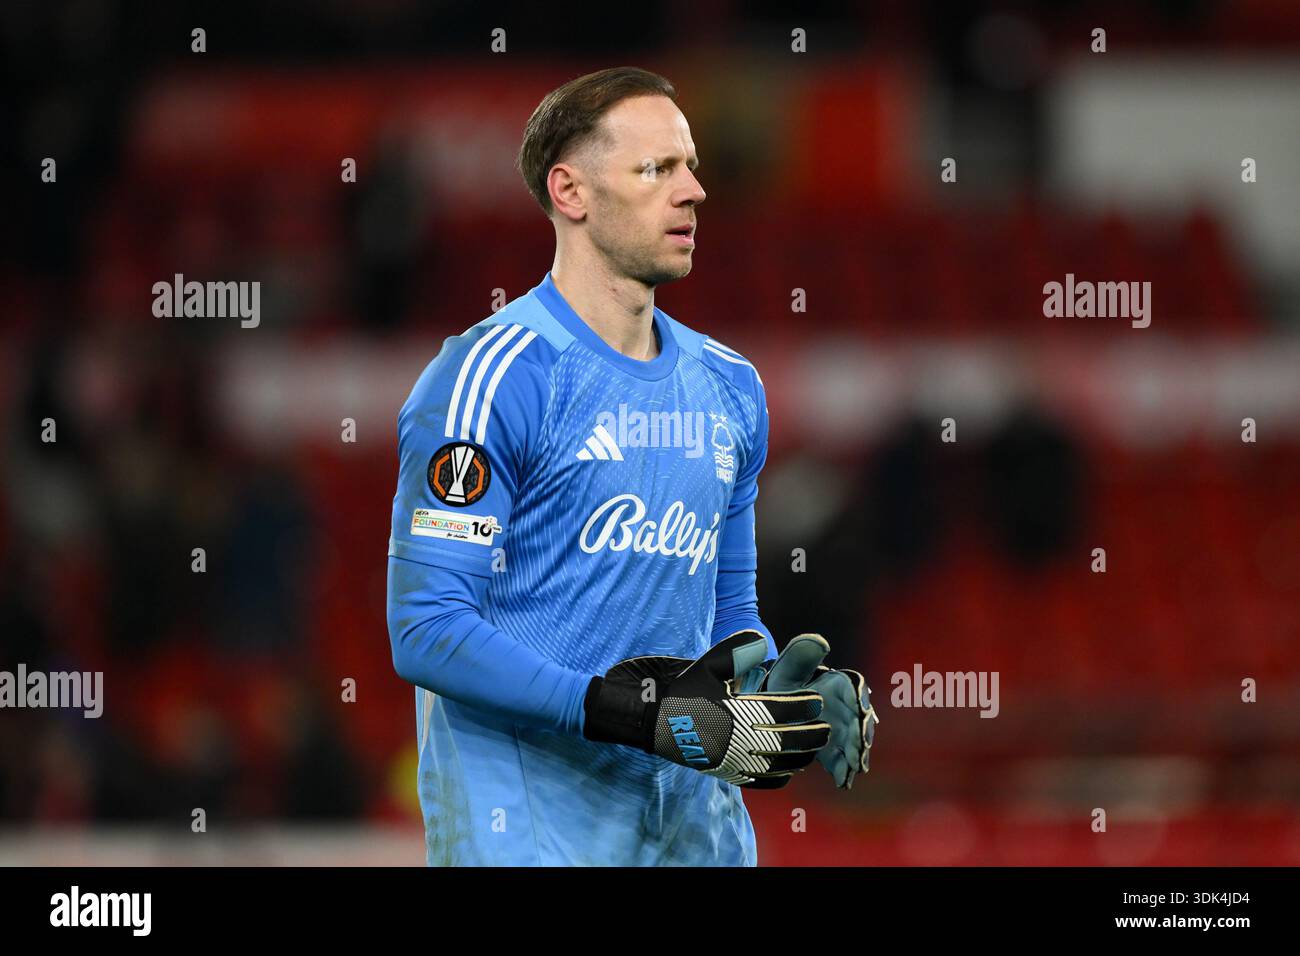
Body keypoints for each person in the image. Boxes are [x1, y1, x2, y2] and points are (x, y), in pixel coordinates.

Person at [386, 67, 877, 866]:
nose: (694, 192)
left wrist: (774, 697)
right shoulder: (492, 377)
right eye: (657, 169)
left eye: (690, 166)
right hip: (534, 837)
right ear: (570, 192)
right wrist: (627, 712)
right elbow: (427, 629)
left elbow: (729, 614)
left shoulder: (731, 386)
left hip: (694, 835)